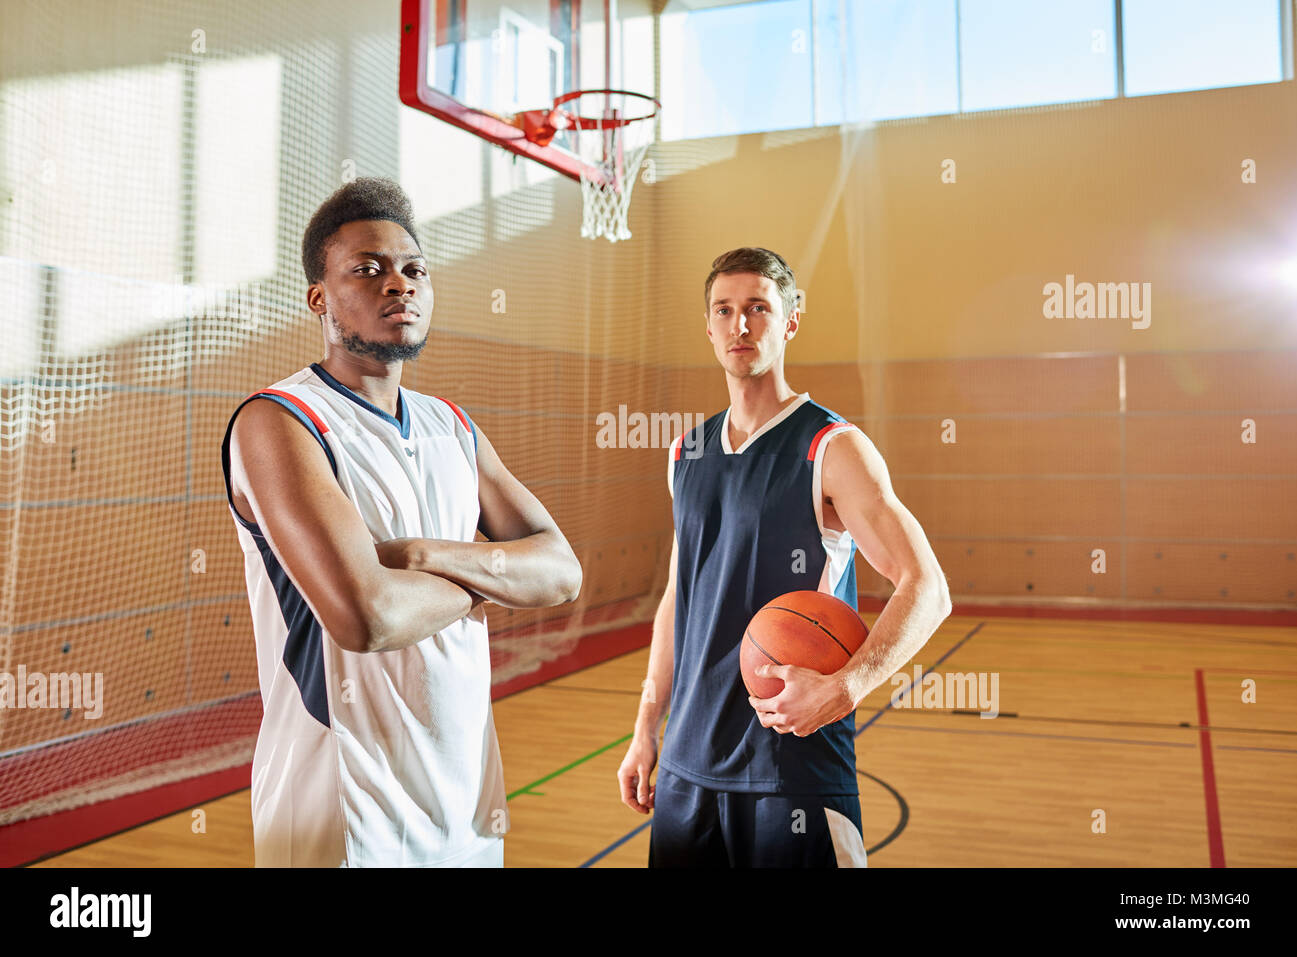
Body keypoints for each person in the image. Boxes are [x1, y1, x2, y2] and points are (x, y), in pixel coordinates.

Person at [220, 177, 582, 867]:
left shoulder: (454, 427)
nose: (399, 284)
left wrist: (420, 555)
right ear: (319, 298)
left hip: (466, 805)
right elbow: (368, 617)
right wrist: (494, 580)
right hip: (343, 811)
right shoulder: (279, 421)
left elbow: (563, 571)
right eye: (368, 269)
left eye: (413, 269)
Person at [616, 247, 950, 867]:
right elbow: (678, 597)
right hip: (689, 764)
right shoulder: (684, 452)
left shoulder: (831, 446)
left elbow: (927, 586)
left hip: (789, 762)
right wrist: (647, 726)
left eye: (758, 309)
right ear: (709, 326)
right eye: (725, 310)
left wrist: (849, 686)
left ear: (790, 321)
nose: (740, 326)